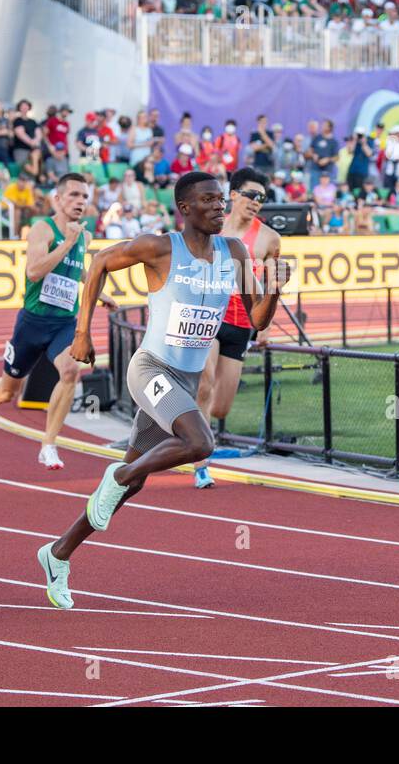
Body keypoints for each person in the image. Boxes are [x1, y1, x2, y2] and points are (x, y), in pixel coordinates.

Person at [35, 171, 290, 609]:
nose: (219, 208)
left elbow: (257, 319)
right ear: (185, 208)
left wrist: (276, 286)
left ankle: (57, 554)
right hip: (151, 368)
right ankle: (118, 475)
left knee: (130, 487)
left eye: (221, 201)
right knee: (198, 441)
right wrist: (83, 333)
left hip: (184, 380)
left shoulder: (233, 252)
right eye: (208, 201)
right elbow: (98, 263)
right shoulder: (158, 247)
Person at [0, 173, 116, 469]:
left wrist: (97, 292)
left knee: (71, 371)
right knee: (9, 392)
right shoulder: (42, 230)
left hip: (64, 323)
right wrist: (66, 243)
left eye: (85, 196)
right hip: (32, 324)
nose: (80, 202)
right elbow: (34, 271)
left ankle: (48, 444)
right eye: (74, 195)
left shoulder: (84, 236)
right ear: (57, 199)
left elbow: (76, 269)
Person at [191, 168, 280, 488]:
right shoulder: (209, 228)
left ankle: (191, 426)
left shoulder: (269, 239)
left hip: (242, 324)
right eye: (252, 195)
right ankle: (201, 463)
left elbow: (272, 284)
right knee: (204, 383)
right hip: (209, 315)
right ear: (233, 195)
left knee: (221, 405)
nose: (257, 202)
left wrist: (265, 327)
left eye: (263, 198)